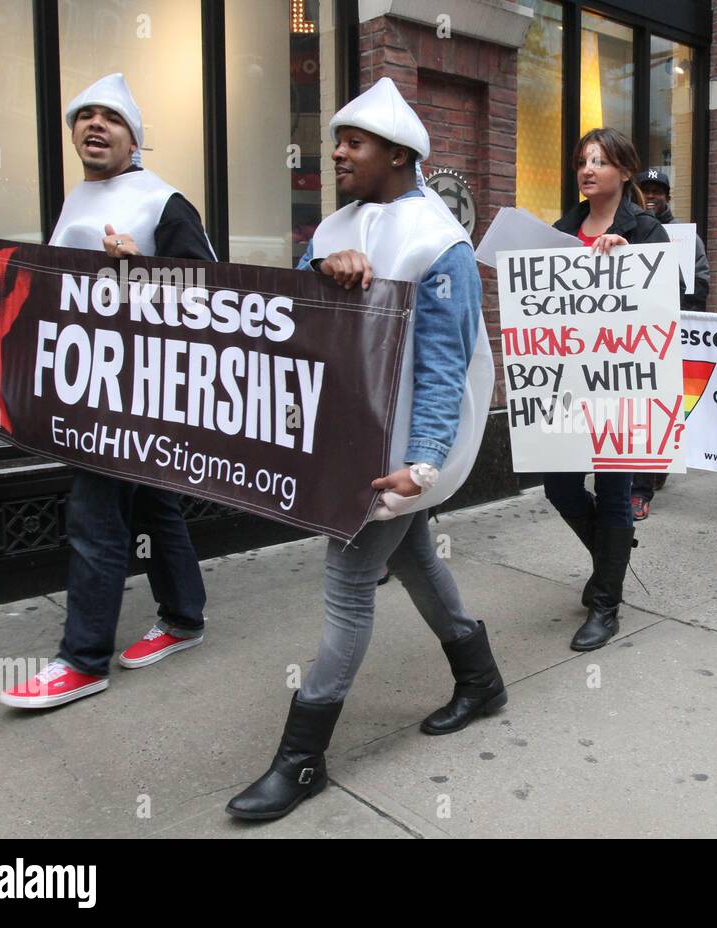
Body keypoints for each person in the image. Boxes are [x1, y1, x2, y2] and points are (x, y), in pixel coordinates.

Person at [226, 78, 501, 820]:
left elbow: (444, 368)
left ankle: (301, 759)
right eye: (338, 140)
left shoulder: (437, 241)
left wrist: (422, 466)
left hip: (398, 458)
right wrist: (320, 268)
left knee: (349, 586)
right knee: (411, 560)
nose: (339, 151)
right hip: (352, 444)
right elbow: (289, 318)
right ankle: (481, 680)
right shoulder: (332, 227)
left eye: (354, 142)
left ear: (400, 154)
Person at [0, 75, 214, 709]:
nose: (94, 126)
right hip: (92, 388)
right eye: (84, 117)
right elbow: (61, 286)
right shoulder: (79, 198)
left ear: (135, 137)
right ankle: (183, 618)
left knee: (93, 518)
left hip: (138, 395)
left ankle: (83, 659)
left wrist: (143, 270)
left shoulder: (164, 202)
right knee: (155, 508)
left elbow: (212, 295)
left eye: (111, 119)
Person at [546, 128, 669, 651]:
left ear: (624, 171)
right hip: (568, 382)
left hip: (621, 384)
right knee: (560, 485)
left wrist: (629, 267)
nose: (588, 169)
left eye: (599, 161)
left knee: (616, 489)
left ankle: (605, 603)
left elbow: (668, 310)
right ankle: (611, 559)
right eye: (582, 161)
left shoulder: (645, 232)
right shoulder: (559, 230)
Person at [629, 166, 709, 520]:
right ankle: (647, 470)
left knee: (655, 411)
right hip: (629, 337)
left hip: (667, 335)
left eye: (657, 191)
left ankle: (640, 489)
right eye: (645, 190)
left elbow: (700, 286)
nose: (651, 196)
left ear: (668, 196)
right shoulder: (628, 232)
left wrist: (673, 300)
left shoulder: (685, 239)